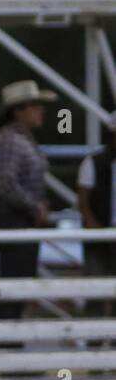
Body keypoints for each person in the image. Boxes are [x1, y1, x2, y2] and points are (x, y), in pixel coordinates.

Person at [0, 80, 55, 321]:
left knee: (19, 285)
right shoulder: (11, 140)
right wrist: (34, 206)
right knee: (14, 286)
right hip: (14, 221)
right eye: (34, 106)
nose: (40, 110)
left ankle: (11, 333)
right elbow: (5, 184)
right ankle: (8, 334)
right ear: (18, 111)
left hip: (21, 220)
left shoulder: (17, 139)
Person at [77, 119, 116, 316]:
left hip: (103, 227)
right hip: (99, 230)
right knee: (95, 285)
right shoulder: (94, 161)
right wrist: (91, 222)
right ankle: (94, 328)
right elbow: (83, 198)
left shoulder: (94, 161)